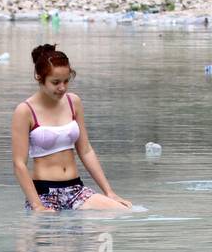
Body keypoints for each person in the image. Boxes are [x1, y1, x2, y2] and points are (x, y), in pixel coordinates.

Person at [12, 45, 132, 213]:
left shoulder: (73, 102)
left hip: (76, 190)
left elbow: (86, 150)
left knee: (124, 211)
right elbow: (19, 164)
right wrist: (37, 205)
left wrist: (109, 192)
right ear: (39, 77)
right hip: (44, 194)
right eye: (55, 82)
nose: (62, 87)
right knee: (57, 236)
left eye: (66, 81)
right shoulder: (25, 111)